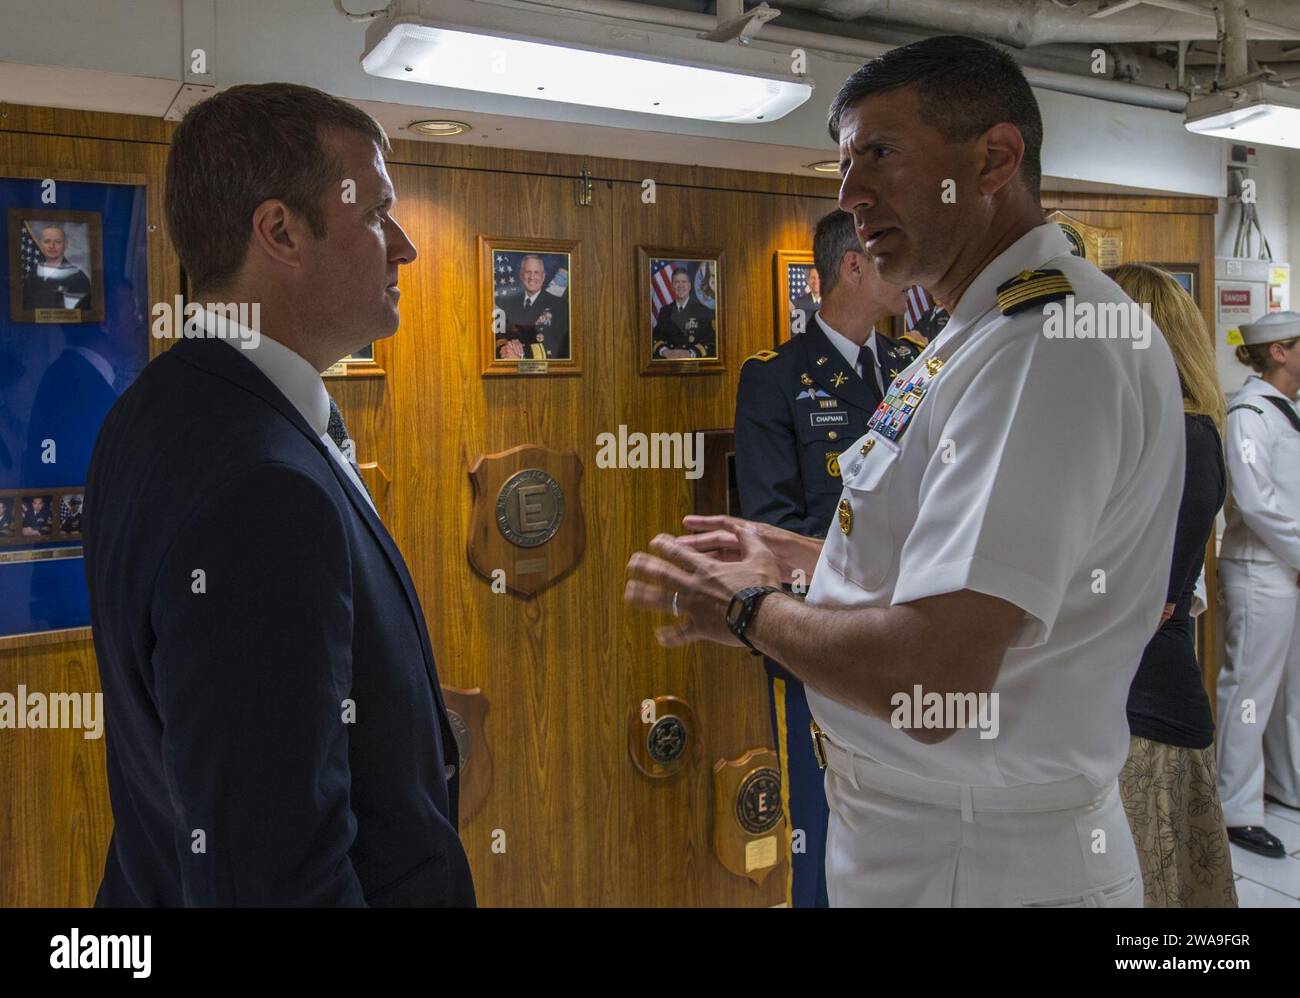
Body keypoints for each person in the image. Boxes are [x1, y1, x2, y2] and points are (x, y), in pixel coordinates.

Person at [626, 35, 1183, 907]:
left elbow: (935, 682)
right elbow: (937, 569)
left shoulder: (1043, 344)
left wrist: (745, 609)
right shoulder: (972, 335)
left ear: (994, 159)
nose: (850, 196)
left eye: (879, 155)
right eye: (845, 166)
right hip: (924, 842)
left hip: (978, 861)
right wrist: (801, 560)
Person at [83, 82, 474, 906]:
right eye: (376, 214)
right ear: (281, 230)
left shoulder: (154, 411)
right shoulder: (261, 487)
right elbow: (272, 878)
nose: (404, 246)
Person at [734, 209, 916, 908]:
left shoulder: (910, 365)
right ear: (853, 267)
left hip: (914, 636)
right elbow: (772, 532)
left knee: (903, 834)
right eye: (890, 258)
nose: (908, 274)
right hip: (824, 649)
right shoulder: (777, 378)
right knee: (821, 834)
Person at [1106, 263, 1237, 906]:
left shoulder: (1185, 437)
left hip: (1146, 711)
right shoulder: (1150, 431)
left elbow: (1145, 603)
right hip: (1123, 703)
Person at [1216, 308, 1300, 859]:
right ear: (1280, 351)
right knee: (1248, 688)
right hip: (1259, 568)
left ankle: (1286, 785)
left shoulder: (1286, 410)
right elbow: (1255, 501)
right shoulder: (1250, 411)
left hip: (1286, 567)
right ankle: (1235, 806)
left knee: (1289, 688)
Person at [496, 254, 569, 360]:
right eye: (528, 272)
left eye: (536, 273)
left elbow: (560, 347)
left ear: (543, 276)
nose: (532, 277)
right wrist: (505, 348)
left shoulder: (560, 306)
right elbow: (498, 337)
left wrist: (522, 354)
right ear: (521, 275)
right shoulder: (508, 303)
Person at [22, 224, 92, 311]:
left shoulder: (79, 279)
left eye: (58, 242)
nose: (52, 246)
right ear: (41, 245)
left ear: (65, 245)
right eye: (47, 241)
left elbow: (79, 317)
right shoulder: (32, 275)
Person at [653, 268, 716, 359]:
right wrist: (664, 351)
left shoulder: (703, 311)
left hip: (695, 366)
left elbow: (711, 341)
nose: (680, 285)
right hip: (669, 365)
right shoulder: (665, 312)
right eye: (677, 282)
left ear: (690, 286)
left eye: (684, 282)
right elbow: (656, 337)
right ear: (672, 286)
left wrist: (692, 353)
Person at [790, 267, 821, 335]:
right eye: (813, 277)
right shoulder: (797, 304)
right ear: (808, 280)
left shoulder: (831, 303)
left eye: (819, 277)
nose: (816, 281)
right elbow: (795, 335)